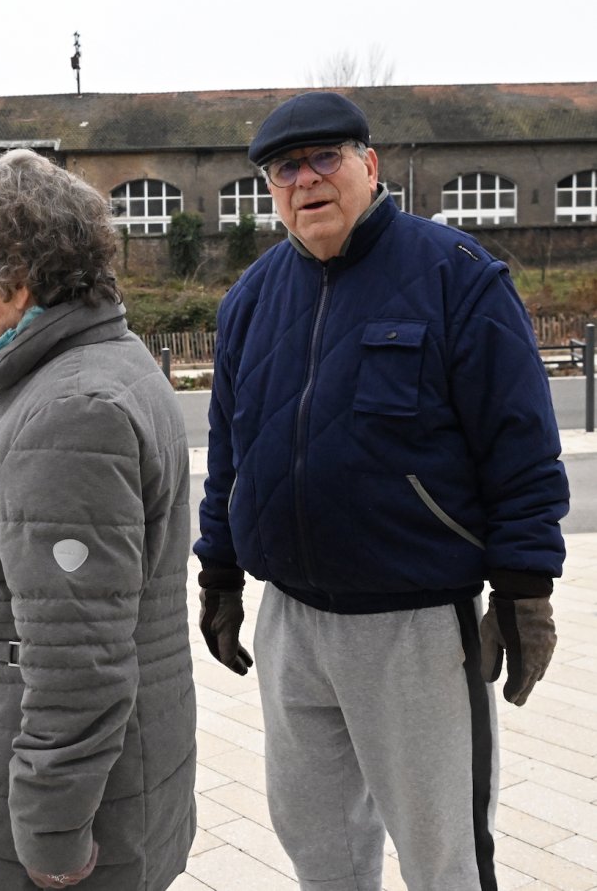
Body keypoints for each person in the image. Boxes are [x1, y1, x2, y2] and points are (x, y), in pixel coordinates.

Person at [193, 91, 569, 891]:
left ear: (369, 164)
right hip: (291, 626)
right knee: (320, 853)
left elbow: (522, 449)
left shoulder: (456, 278)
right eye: (284, 169)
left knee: (445, 860)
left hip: (416, 631)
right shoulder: (251, 302)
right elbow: (230, 452)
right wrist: (219, 574)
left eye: (324, 157)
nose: (305, 180)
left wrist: (525, 590)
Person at [0, 148, 196, 890]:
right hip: (125, 780)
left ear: (17, 283)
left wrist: (50, 837)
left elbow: (78, 661)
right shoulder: (113, 361)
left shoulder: (71, 413)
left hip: (55, 825)